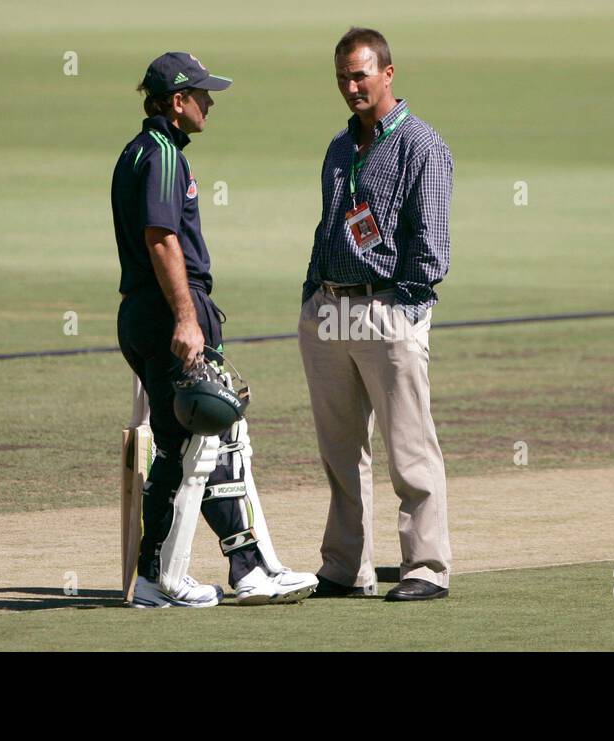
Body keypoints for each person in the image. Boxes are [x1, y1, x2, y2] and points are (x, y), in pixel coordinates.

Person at [112, 52, 317, 607]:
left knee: (220, 434)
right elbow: (161, 238)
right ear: (176, 102)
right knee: (191, 444)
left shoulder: (141, 152)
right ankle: (162, 578)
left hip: (148, 311)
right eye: (202, 94)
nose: (210, 102)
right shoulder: (161, 156)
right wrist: (185, 317)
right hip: (168, 312)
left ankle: (248, 567)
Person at [298, 28, 454, 601]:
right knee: (341, 451)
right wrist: (313, 294)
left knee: (410, 448)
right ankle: (346, 567)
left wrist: (402, 309)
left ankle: (425, 568)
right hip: (329, 308)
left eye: (360, 74)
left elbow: (432, 245)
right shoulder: (341, 146)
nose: (350, 86)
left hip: (388, 308)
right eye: (342, 76)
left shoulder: (422, 145)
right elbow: (326, 224)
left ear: (388, 73)